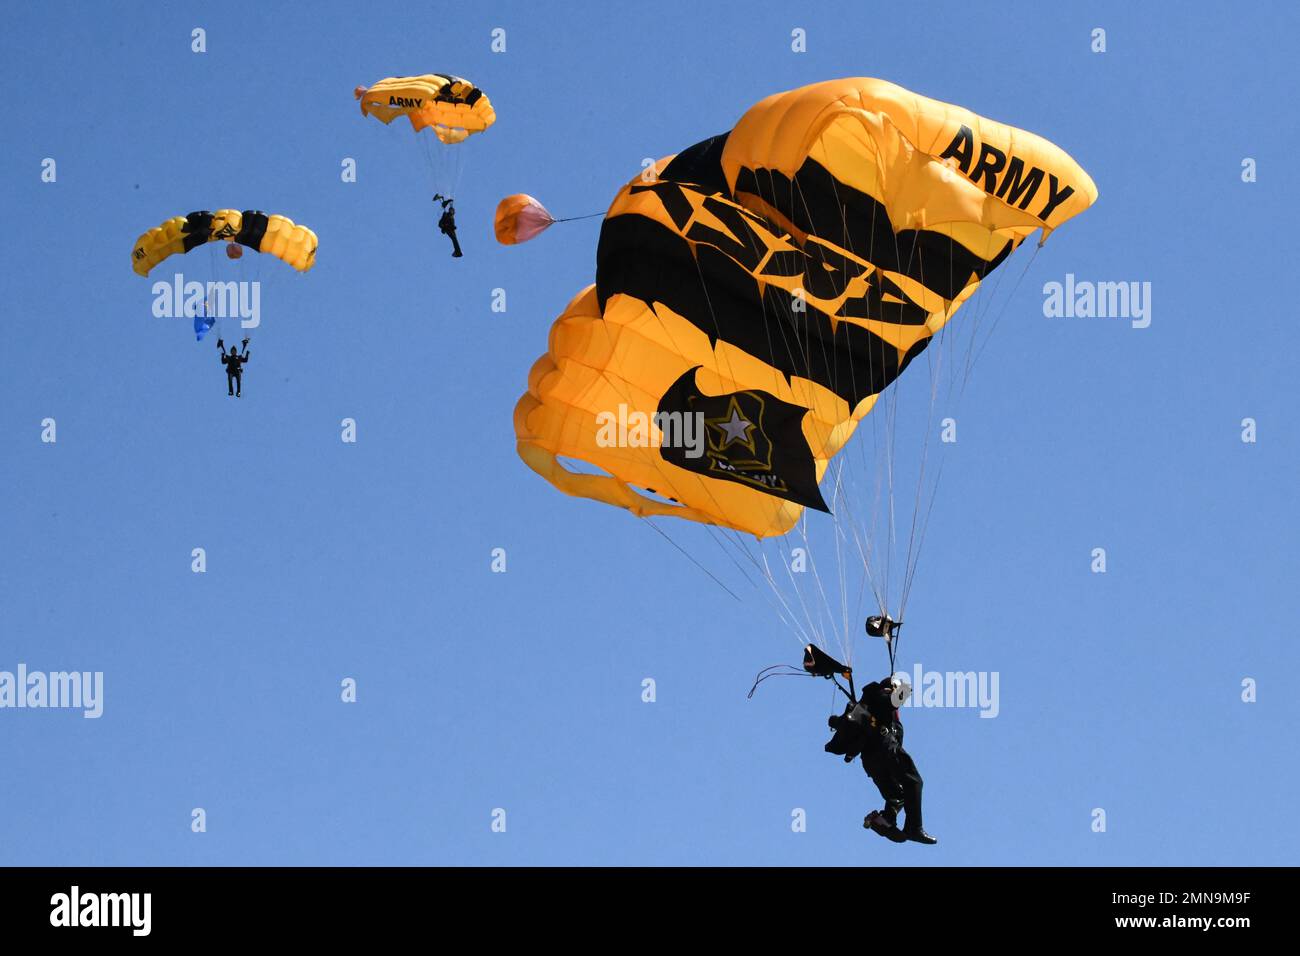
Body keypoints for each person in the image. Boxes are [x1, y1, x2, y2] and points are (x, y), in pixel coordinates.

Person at [825, 675, 937, 845]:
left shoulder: (871, 706)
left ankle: (884, 820)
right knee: (914, 782)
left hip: (870, 763)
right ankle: (914, 828)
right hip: (887, 751)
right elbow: (891, 701)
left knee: (896, 796)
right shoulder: (880, 694)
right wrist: (904, 690)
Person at [433, 194, 463, 258]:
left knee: (454, 238)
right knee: (454, 238)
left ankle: (458, 252)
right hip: (448, 225)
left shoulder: (448, 215)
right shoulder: (448, 215)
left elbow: (443, 222)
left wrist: (444, 228)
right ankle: (458, 252)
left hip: (447, 225)